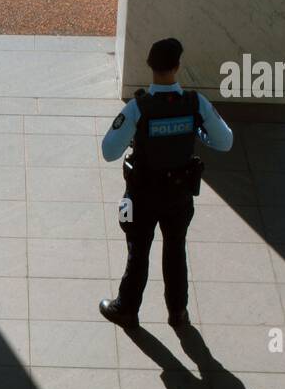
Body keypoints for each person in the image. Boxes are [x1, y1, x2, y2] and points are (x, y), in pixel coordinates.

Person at [98, 37, 233, 329]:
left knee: (137, 250)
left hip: (139, 196)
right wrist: (198, 134)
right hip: (179, 196)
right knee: (175, 249)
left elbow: (109, 151)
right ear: (177, 66)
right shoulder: (195, 103)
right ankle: (178, 313)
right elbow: (225, 141)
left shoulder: (137, 108)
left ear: (150, 66)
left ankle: (127, 309)